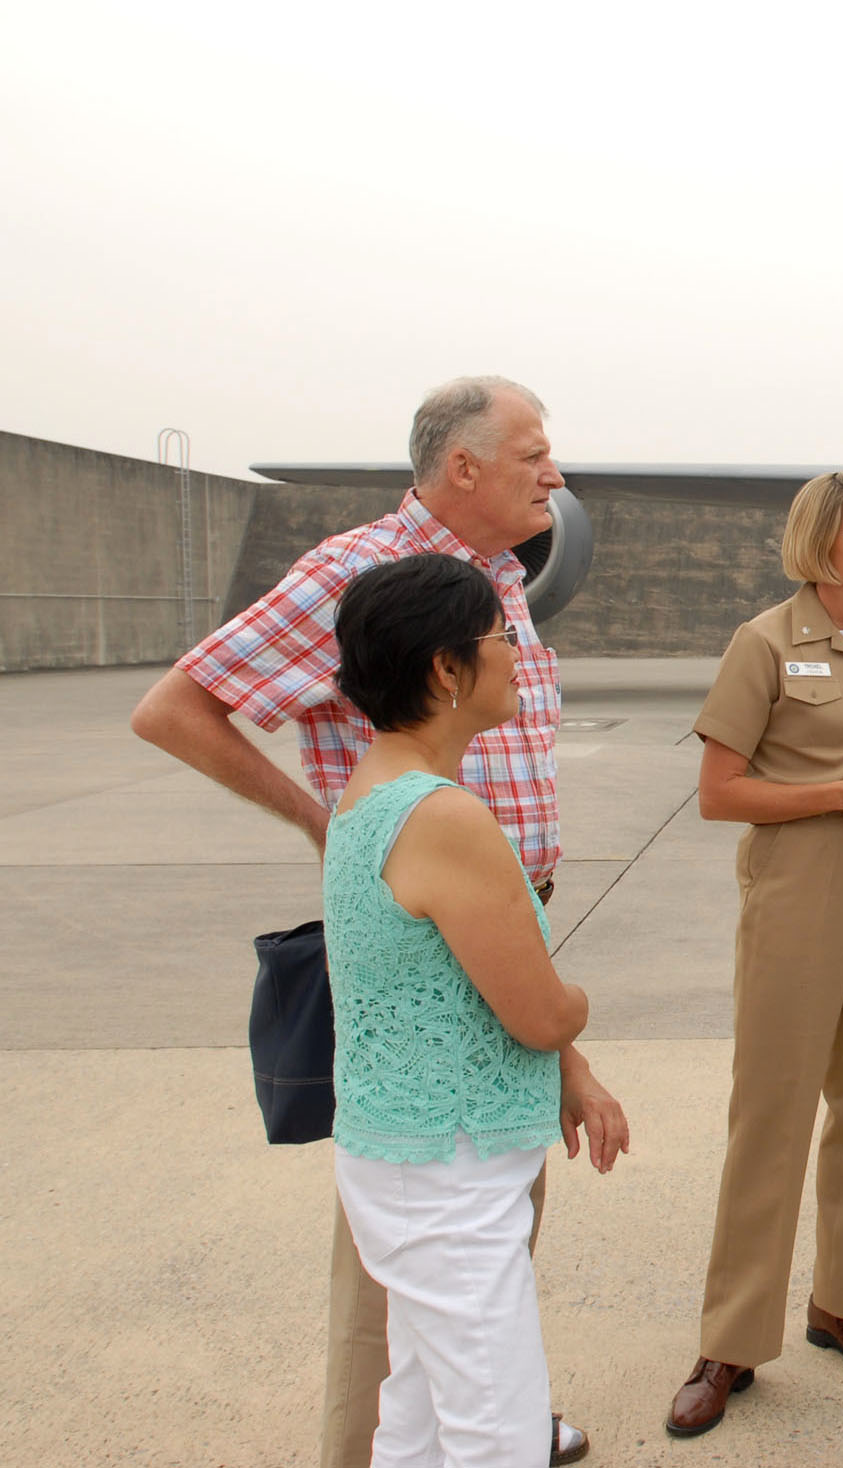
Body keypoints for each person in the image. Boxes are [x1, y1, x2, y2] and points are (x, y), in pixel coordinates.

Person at [129, 376, 624, 1468]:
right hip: (429, 919)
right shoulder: (355, 576)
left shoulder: (499, 581)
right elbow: (175, 707)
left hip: (494, 930)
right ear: (463, 467)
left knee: (483, 1235)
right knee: (403, 1265)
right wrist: (331, 827)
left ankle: (482, 1406)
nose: (555, 475)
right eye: (534, 454)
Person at [665, 470, 843, 1439]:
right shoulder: (764, 644)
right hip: (799, 885)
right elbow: (719, 793)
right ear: (817, 541)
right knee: (773, 1108)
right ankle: (731, 1340)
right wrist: (835, 794)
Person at [326, 553, 596, 1468]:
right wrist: (579, 1006)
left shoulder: (371, 788)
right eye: (502, 636)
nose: (520, 655)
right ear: (447, 669)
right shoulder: (441, 817)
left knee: (419, 1419)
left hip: (408, 1160)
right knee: (497, 1432)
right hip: (448, 1175)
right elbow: (542, 1014)